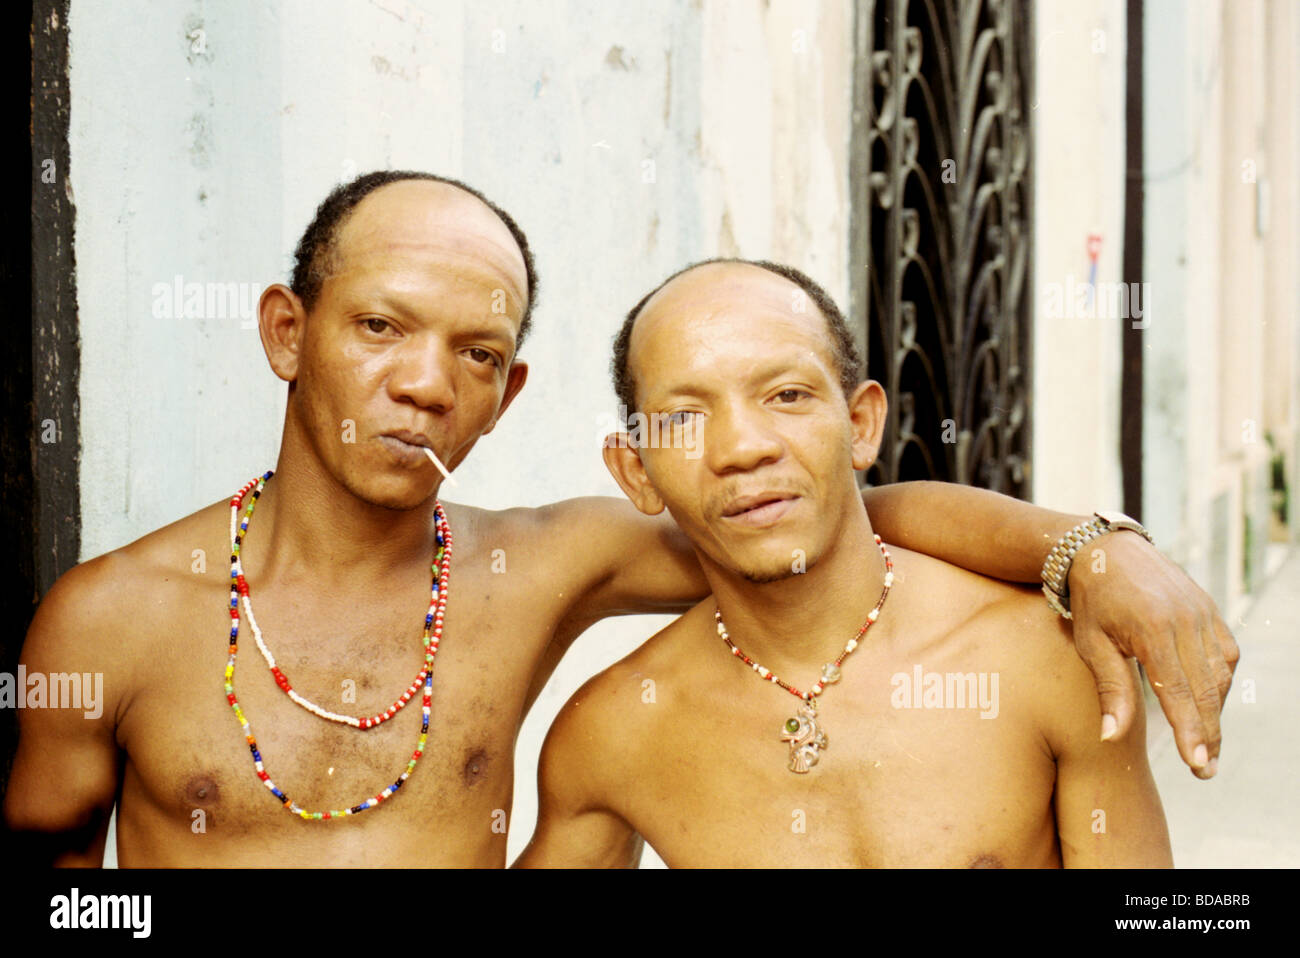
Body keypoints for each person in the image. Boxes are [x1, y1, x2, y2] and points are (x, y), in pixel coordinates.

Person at [4, 173, 1229, 866]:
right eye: (378, 326)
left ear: (505, 391)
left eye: (476, 351)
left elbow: (813, 518)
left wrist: (1089, 550)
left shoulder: (545, 564)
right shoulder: (110, 619)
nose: (426, 381)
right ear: (289, 331)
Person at [517, 259, 1177, 867]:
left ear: (861, 423)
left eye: (787, 396)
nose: (743, 448)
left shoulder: (1043, 659)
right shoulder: (612, 736)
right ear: (636, 470)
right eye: (685, 417)